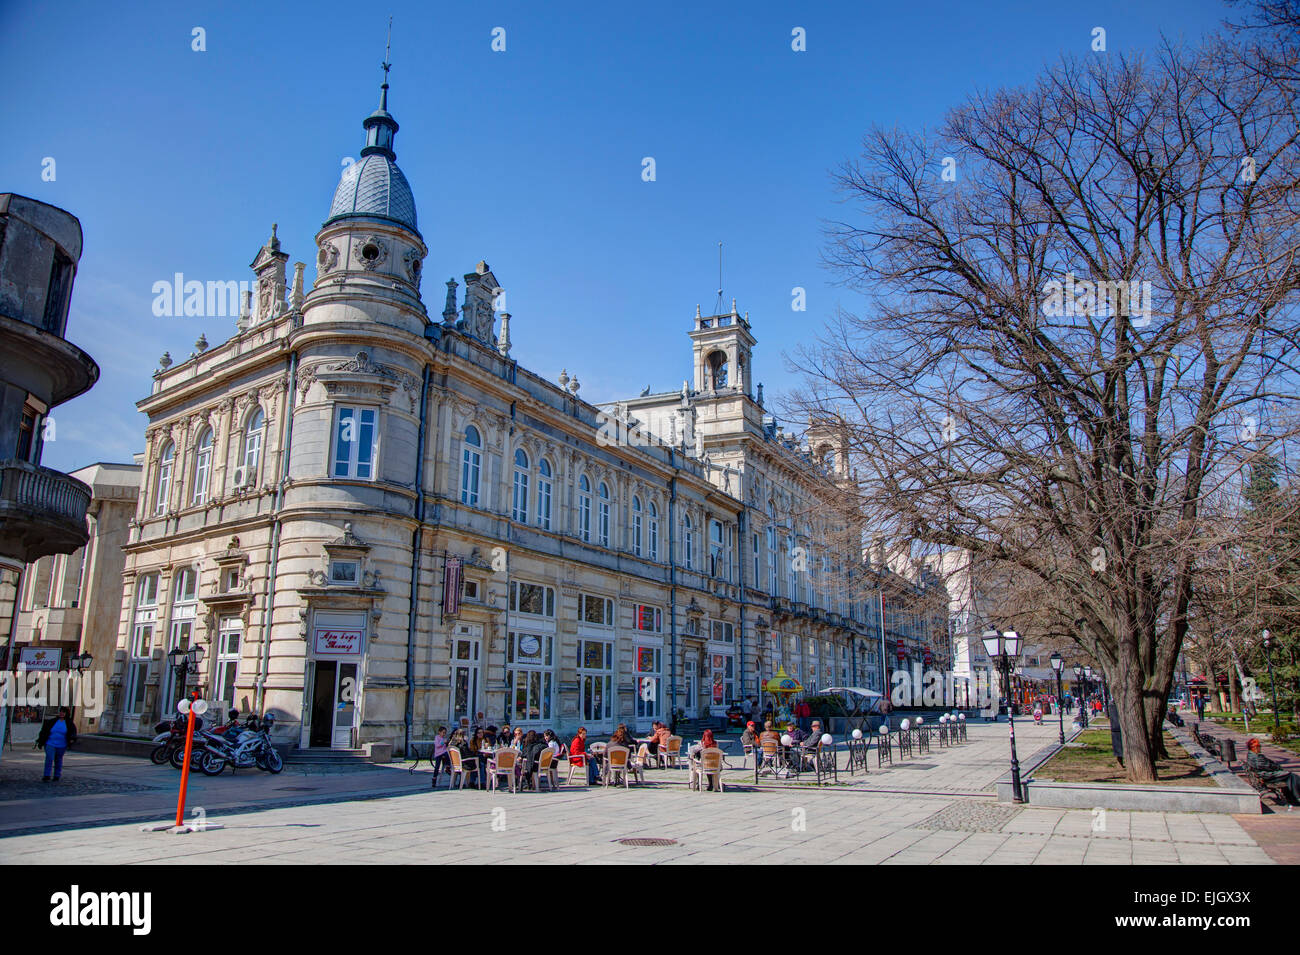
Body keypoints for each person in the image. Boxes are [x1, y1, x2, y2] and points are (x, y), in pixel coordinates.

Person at [37, 707, 77, 782]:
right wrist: (41, 740)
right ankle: (47, 775)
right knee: (49, 758)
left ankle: (57, 775)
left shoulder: (69, 723)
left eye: (63, 712)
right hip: (50, 742)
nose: (61, 713)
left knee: (58, 759)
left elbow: (73, 732)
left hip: (62, 744)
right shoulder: (53, 721)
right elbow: (44, 730)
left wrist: (72, 739)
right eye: (61, 712)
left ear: (66, 713)